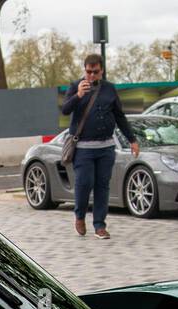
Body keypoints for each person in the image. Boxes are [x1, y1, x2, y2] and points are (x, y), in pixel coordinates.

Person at [60, 54, 139, 238]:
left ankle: (99, 225)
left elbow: (120, 116)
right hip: (83, 148)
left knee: (102, 186)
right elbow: (65, 110)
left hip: (106, 148)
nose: (92, 76)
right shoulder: (75, 86)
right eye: (88, 72)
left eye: (95, 72)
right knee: (84, 183)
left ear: (101, 70)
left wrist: (132, 139)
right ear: (84, 70)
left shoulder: (109, 89)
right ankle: (79, 216)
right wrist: (78, 95)